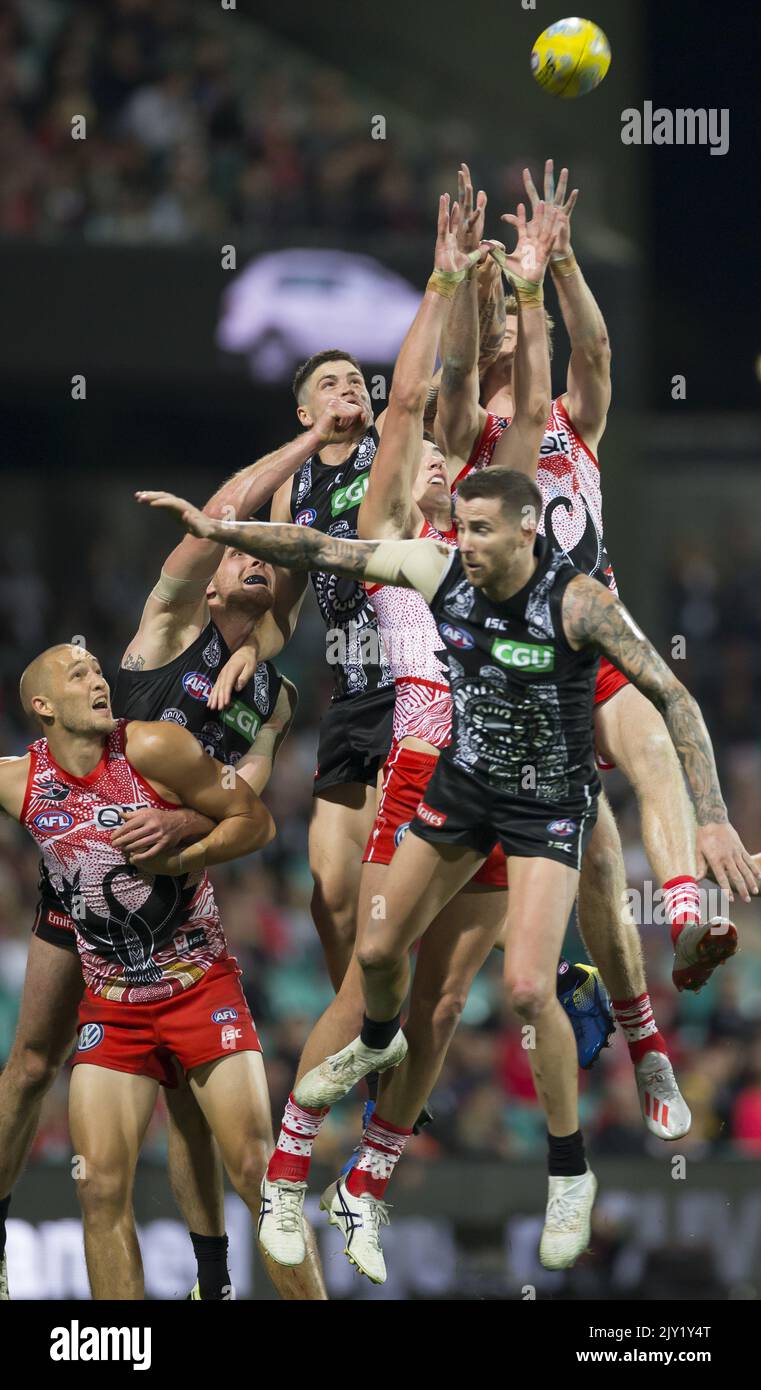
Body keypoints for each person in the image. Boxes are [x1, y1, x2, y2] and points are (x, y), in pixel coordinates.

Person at [140, 459, 753, 1278]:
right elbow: (324, 550)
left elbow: (674, 700)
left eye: (479, 529)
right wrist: (220, 529)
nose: (462, 542)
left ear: (527, 531)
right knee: (376, 957)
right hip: (455, 795)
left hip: (542, 811)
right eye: (458, 526)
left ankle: (571, 1167)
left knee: (528, 988)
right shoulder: (433, 564)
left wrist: (711, 816)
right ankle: (369, 1061)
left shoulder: (579, 603)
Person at [432, 160, 759, 1128]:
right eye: (497, 330)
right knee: (599, 889)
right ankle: (643, 1040)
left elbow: (600, 355)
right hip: (513, 678)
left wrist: (562, 267)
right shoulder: (464, 448)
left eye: (508, 330)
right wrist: (471, 287)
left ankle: (692, 909)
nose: (505, 340)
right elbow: (452, 374)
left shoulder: (575, 428)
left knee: (653, 749)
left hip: (591, 635)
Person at [0, 447, 324, 1301]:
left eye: (266, 562)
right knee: (33, 1064)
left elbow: (247, 801)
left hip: (172, 882)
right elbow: (218, 521)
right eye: (235, 558)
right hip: (82, 876)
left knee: (192, 1105)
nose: (251, 564)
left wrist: (187, 825)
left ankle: (211, 1279)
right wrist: (300, 446)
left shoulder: (275, 692)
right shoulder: (168, 631)